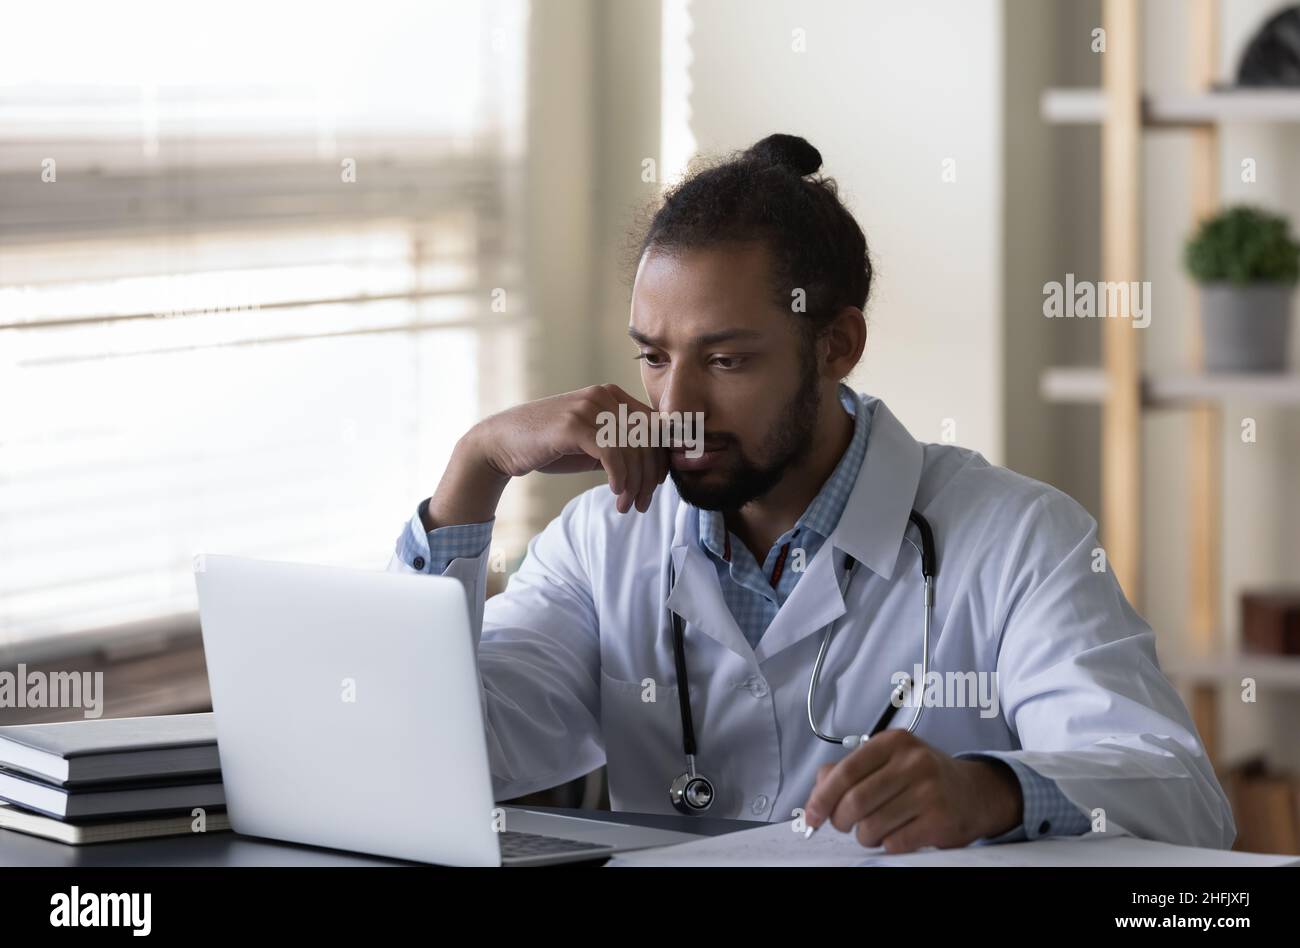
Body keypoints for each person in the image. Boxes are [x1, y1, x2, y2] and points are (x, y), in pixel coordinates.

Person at [387, 133, 1234, 852]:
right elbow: (432, 754)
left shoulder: (1018, 537)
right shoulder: (601, 542)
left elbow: (1183, 799)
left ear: (837, 345)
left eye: (725, 361)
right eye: (653, 356)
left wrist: (990, 791)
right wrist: (475, 470)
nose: (674, 408)